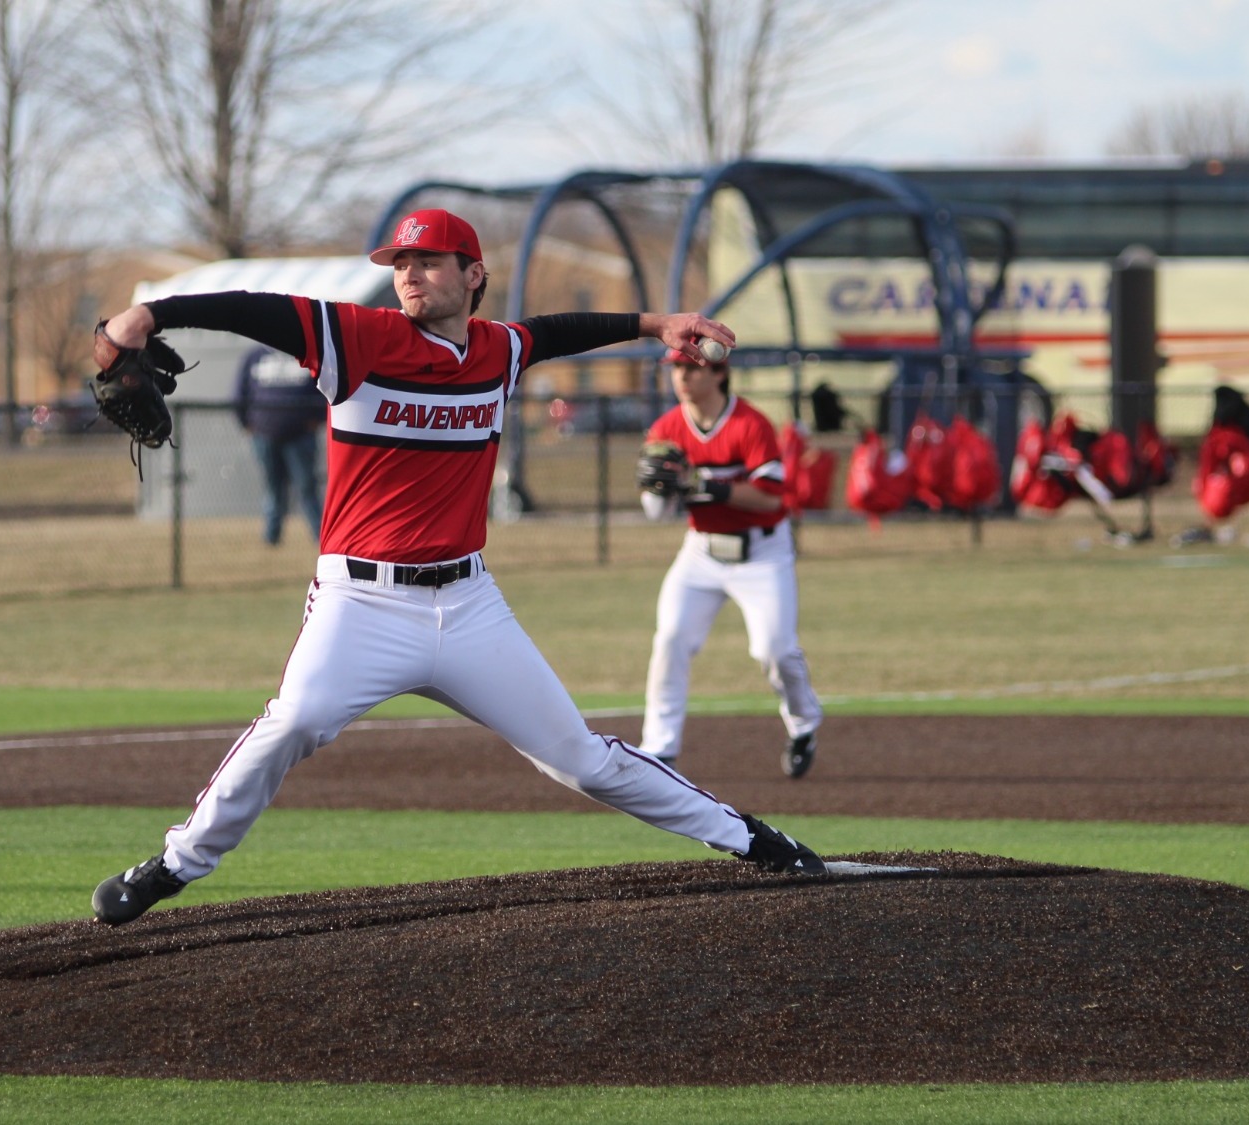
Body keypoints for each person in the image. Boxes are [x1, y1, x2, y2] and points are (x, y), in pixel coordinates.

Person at [88, 207, 827, 925]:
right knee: (294, 721)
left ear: (473, 274)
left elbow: (559, 332)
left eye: (427, 261)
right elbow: (257, 309)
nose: (408, 274)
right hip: (362, 602)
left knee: (582, 758)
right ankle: (174, 865)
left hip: (470, 604)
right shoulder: (360, 337)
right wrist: (148, 315)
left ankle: (752, 838)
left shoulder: (497, 351)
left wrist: (657, 325)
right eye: (400, 263)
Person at [637, 353, 823, 778]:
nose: (681, 375)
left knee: (775, 651)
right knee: (670, 639)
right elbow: (657, 512)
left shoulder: (750, 424)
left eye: (692, 367)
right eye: (676, 368)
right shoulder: (667, 427)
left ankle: (803, 724)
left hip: (761, 553)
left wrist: (705, 485)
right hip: (701, 551)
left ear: (718, 372)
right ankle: (659, 748)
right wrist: (656, 490)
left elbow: (771, 497)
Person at [233, 346, 326, 546]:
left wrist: (318, 418)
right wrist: (247, 424)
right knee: (273, 488)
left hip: (301, 436)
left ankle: (321, 536)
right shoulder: (255, 356)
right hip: (264, 436)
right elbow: (239, 393)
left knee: (307, 487)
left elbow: (327, 389)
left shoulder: (307, 353)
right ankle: (272, 537)